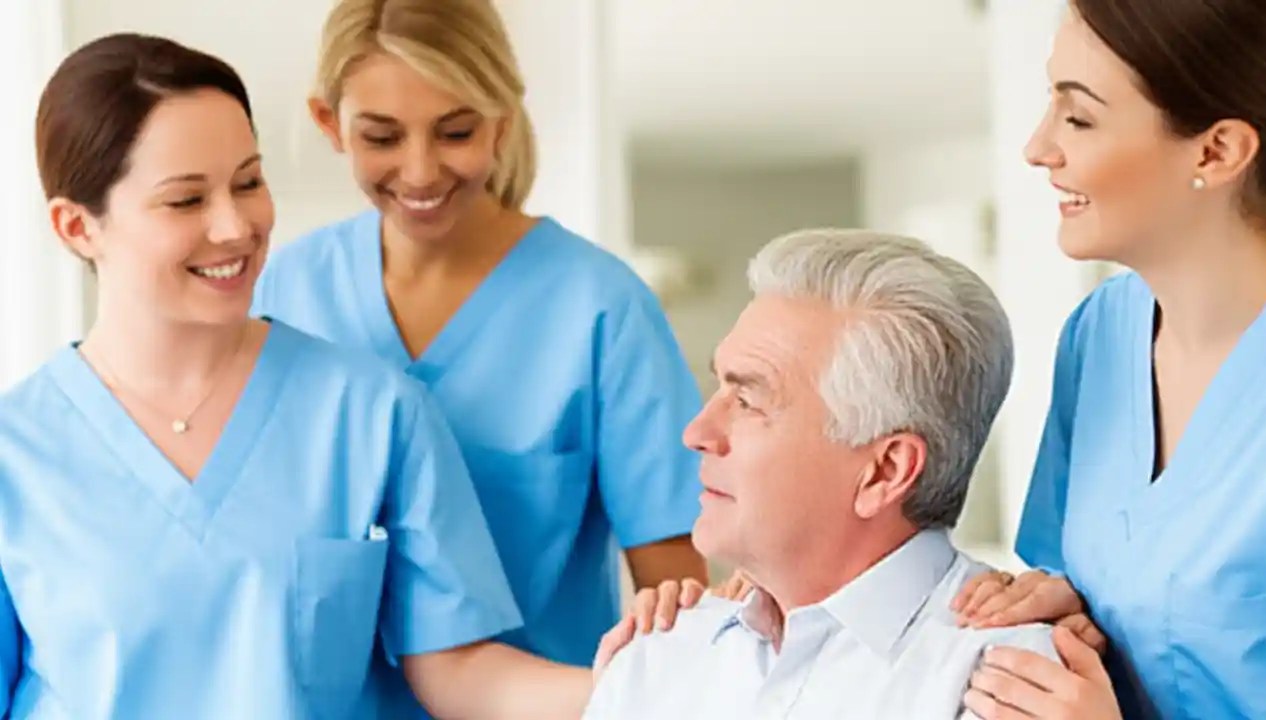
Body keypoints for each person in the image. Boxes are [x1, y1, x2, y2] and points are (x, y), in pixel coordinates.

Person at [0, 32, 606, 720]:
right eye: (186, 201)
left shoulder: (373, 414)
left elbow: (457, 669)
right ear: (77, 227)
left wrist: (643, 690)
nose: (236, 226)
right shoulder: (16, 456)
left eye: (249, 182)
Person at [251, 0, 707, 682]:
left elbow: (673, 594)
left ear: (503, 116)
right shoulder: (285, 293)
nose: (421, 170)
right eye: (382, 137)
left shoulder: (600, 307)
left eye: (455, 131)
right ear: (330, 125)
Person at [585, 229, 1066, 718]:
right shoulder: (658, 656)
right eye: (720, 389)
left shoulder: (1012, 683)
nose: (697, 432)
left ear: (885, 470)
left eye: (748, 402)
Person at [952, 1, 1266, 718]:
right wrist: (1070, 606)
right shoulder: (1100, 335)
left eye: (1080, 118)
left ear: (1216, 151)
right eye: (1051, 106)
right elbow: (1080, 572)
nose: (1039, 148)